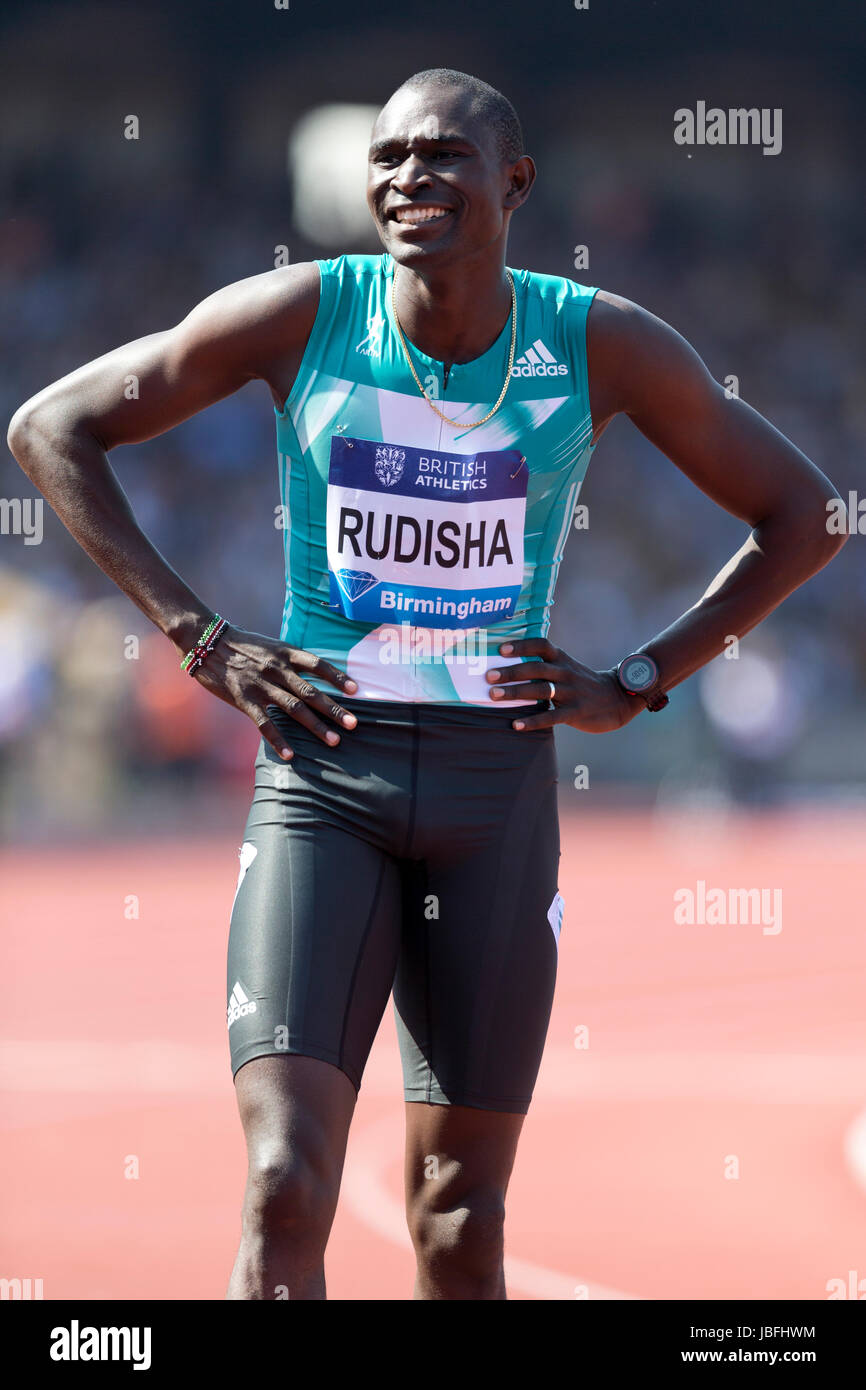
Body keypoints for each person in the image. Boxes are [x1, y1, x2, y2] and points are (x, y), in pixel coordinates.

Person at [7, 68, 846, 1301]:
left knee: (457, 1215)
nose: (410, 179)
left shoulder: (594, 340)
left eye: (445, 156)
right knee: (287, 1182)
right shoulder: (302, 315)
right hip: (321, 783)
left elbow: (805, 513)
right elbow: (49, 427)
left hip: (490, 797)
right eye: (390, 158)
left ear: (513, 184)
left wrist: (634, 677)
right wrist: (202, 638)